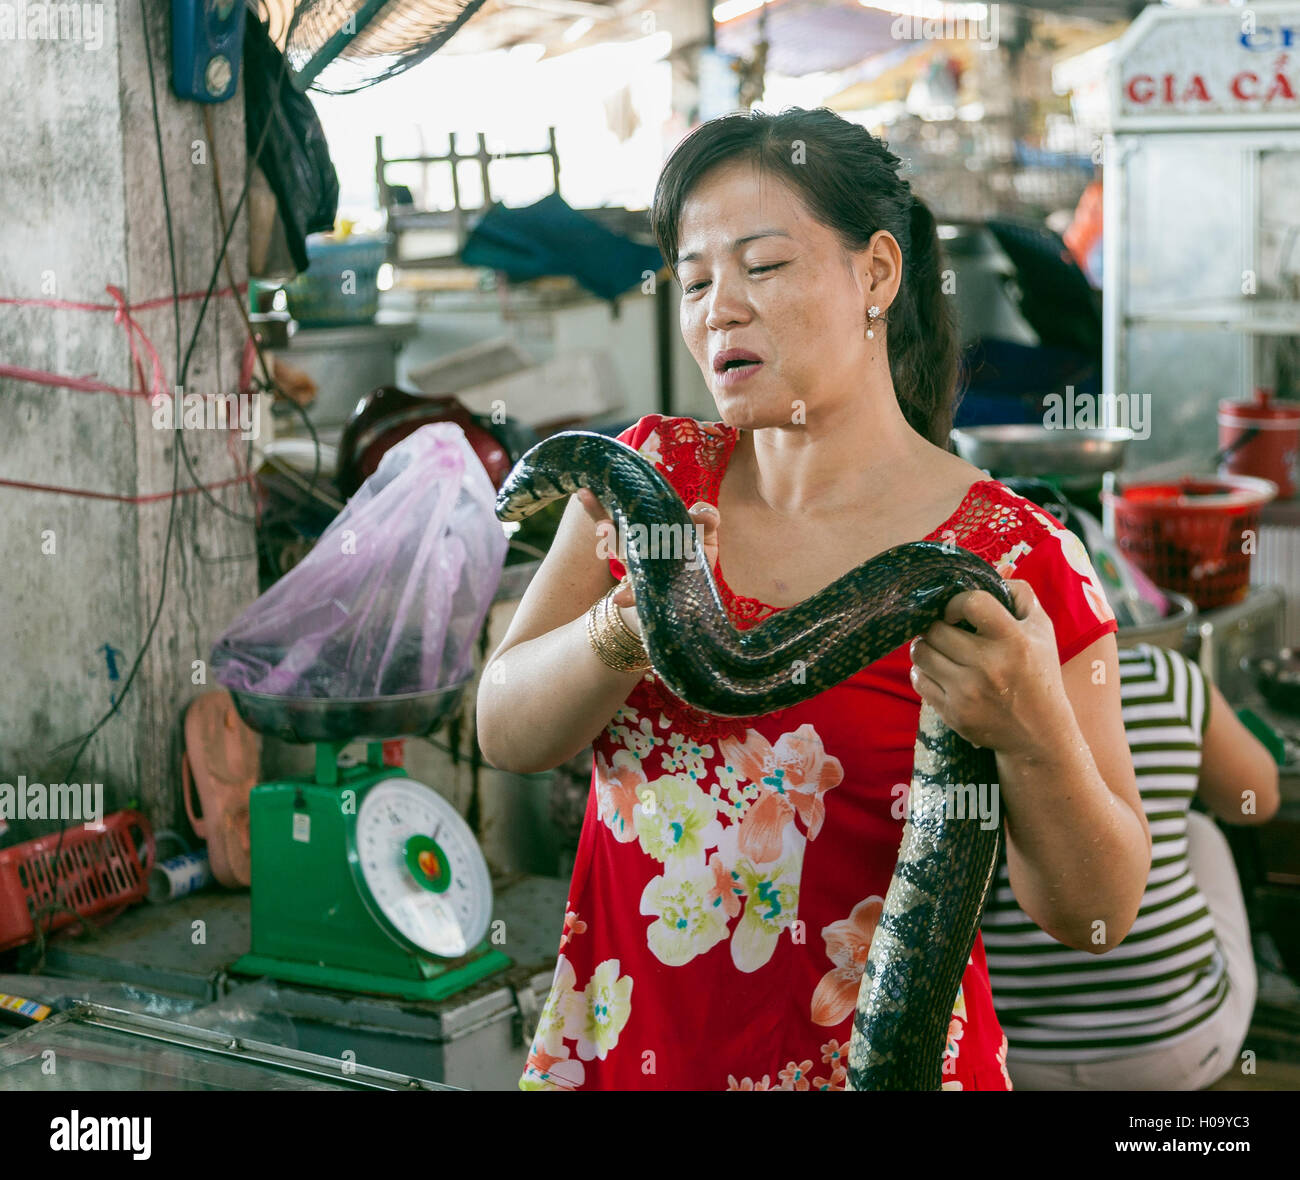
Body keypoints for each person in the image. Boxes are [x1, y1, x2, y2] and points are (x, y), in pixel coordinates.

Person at [476, 106, 1151, 1092]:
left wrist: (1033, 727)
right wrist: (627, 626)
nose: (719, 308)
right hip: (630, 1053)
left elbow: (1097, 910)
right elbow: (504, 729)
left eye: (763, 266)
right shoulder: (647, 481)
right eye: (695, 279)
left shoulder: (1014, 557)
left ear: (876, 272)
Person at [982, 640, 1280, 1090]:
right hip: (1178, 1048)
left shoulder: (951, 697)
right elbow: (1257, 801)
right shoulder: (1161, 675)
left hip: (1010, 1055)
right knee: (1200, 831)